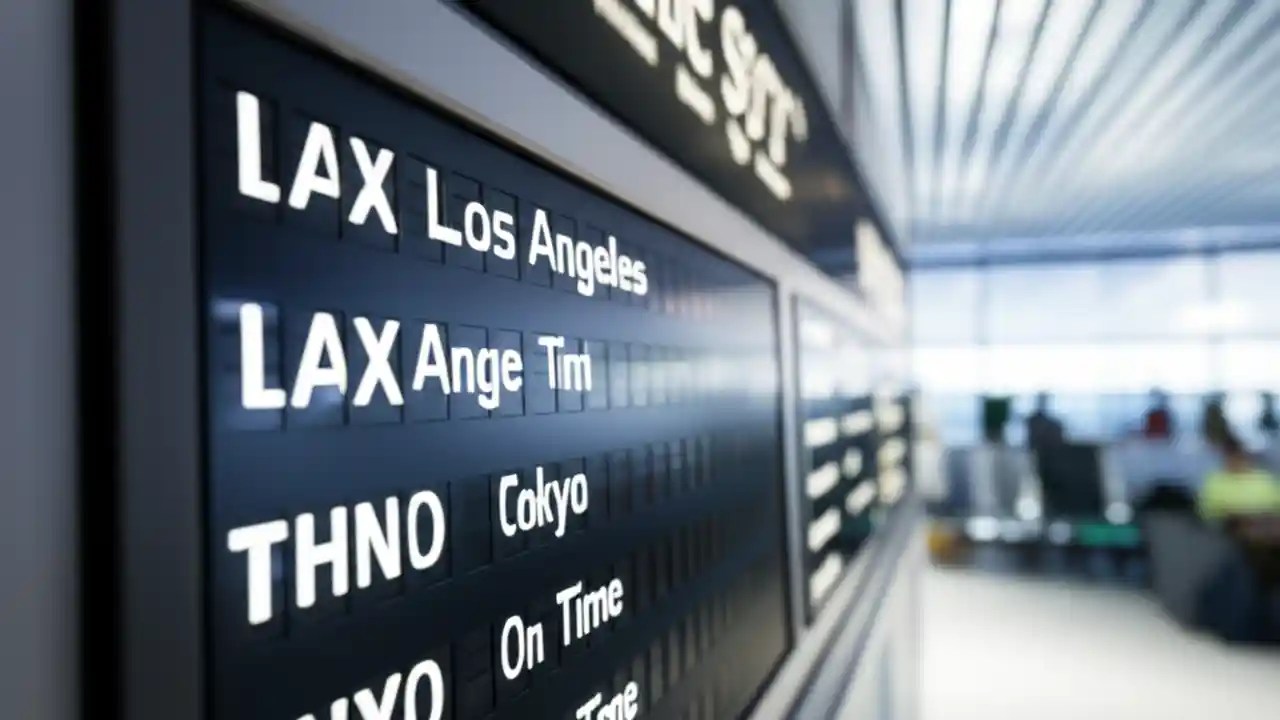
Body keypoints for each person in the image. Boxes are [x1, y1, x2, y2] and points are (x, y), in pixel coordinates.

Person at [1198, 432, 1280, 523]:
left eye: (1241, 457)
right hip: (1232, 526)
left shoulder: (1264, 479)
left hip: (1267, 523)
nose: (1238, 462)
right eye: (1233, 458)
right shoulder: (1215, 480)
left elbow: (1276, 504)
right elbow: (1209, 510)